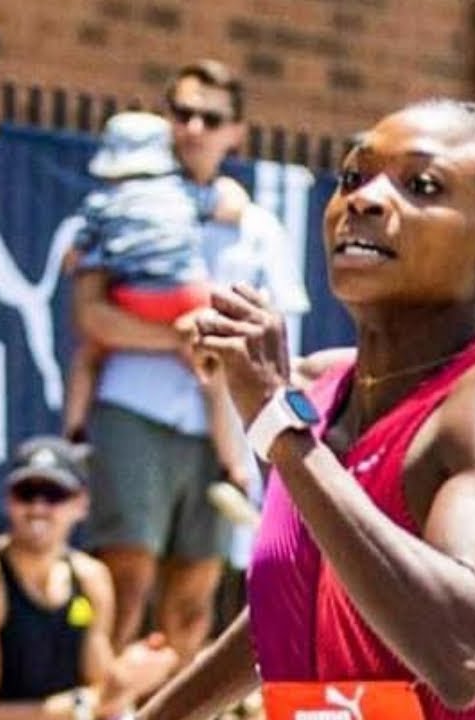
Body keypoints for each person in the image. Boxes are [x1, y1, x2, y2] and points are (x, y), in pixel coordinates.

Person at [137, 99, 475, 720]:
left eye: (421, 186)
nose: (364, 200)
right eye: (352, 177)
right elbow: (297, 610)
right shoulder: (312, 394)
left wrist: (278, 427)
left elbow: (463, 653)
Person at [72, 59, 311, 666]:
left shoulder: (257, 226)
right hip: (135, 406)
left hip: (221, 424)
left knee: (195, 597)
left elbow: (279, 336)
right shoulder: (126, 202)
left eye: (212, 117)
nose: (194, 127)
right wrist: (178, 341)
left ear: (238, 133)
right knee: (122, 581)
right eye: (181, 113)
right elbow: (93, 316)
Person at [64, 110, 251, 491]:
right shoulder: (182, 193)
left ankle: (74, 436)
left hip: (131, 296)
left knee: (87, 358)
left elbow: (74, 257)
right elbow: (232, 206)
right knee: (213, 377)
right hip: (187, 296)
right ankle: (232, 466)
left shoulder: (100, 202)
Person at [0, 436, 178, 720]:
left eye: (54, 494)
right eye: (26, 492)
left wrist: (132, 673)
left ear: (81, 504)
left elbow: (101, 688)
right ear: (9, 499)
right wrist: (86, 704)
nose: (38, 507)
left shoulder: (91, 578)